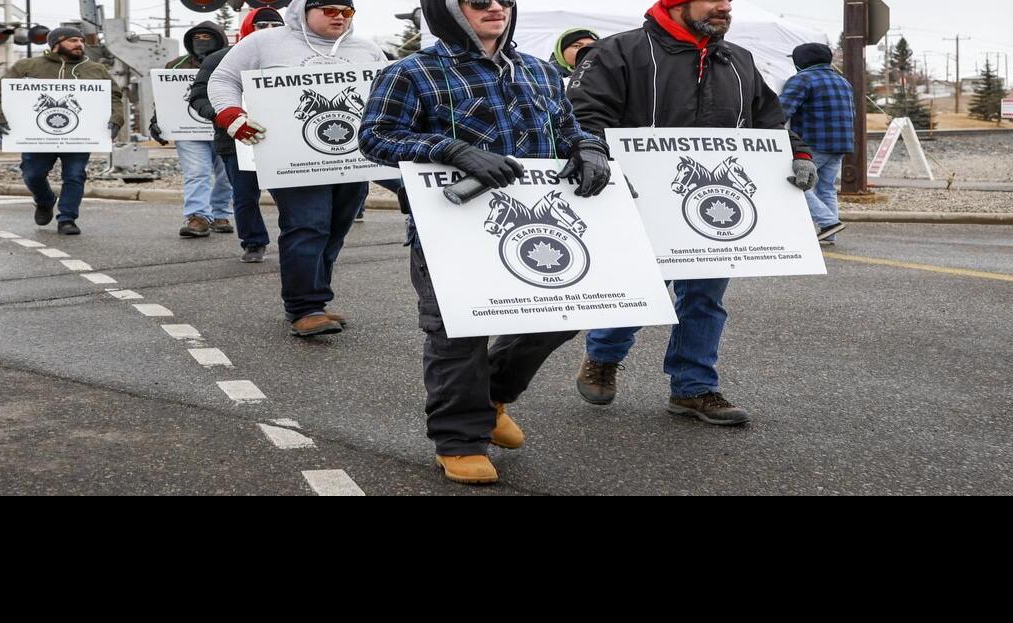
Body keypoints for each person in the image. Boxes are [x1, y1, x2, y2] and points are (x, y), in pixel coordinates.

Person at [360, 0, 612, 485]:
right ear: (448, 11)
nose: (494, 7)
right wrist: (451, 149)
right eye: (478, 1)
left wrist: (588, 148)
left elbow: (567, 127)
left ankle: (490, 396)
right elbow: (376, 137)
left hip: (544, 224)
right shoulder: (410, 72)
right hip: (452, 225)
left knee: (564, 314)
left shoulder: (539, 70)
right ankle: (459, 441)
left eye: (503, 0)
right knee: (458, 332)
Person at [567, 0, 818, 425]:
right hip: (640, 199)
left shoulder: (737, 59)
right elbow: (583, 114)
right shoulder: (621, 51)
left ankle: (693, 387)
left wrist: (797, 152)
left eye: (729, 1)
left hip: (714, 204)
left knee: (705, 297)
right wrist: (596, 155)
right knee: (642, 288)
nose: (724, 7)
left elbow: (768, 119)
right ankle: (603, 356)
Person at [209, 0, 386, 336]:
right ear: (305, 10)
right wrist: (232, 116)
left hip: (350, 157)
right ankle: (304, 308)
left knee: (335, 228)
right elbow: (223, 80)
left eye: (346, 11)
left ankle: (316, 297)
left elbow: (390, 93)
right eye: (330, 10)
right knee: (308, 224)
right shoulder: (264, 43)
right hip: (292, 158)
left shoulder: (368, 50)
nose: (339, 17)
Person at [0, 27, 125, 235]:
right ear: (55, 44)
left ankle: (67, 218)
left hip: (79, 135)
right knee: (32, 174)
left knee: (75, 175)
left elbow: (114, 97)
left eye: (81, 40)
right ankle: (45, 200)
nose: (79, 44)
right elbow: (1, 92)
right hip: (37, 136)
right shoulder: (27, 66)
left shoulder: (96, 70)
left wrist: (116, 119)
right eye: (72, 40)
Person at [189, 8, 287, 261]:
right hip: (235, 140)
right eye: (261, 24)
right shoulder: (221, 58)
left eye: (275, 24)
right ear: (247, 27)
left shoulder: (292, 57)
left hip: (283, 141)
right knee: (245, 196)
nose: (268, 30)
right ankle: (253, 243)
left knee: (291, 197)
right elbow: (199, 97)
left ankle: (297, 240)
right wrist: (225, 118)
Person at [149, 22, 236, 238]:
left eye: (208, 36)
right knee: (196, 173)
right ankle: (197, 216)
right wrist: (157, 121)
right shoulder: (175, 65)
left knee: (226, 175)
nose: (202, 40)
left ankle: (220, 213)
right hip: (188, 131)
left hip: (224, 129)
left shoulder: (233, 60)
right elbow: (164, 98)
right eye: (197, 36)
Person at [780, 42, 854, 245]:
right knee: (826, 188)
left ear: (800, 61)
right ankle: (830, 234)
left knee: (795, 183)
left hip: (812, 144)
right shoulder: (842, 81)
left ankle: (828, 222)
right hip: (841, 144)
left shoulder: (802, 79)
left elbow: (781, 111)